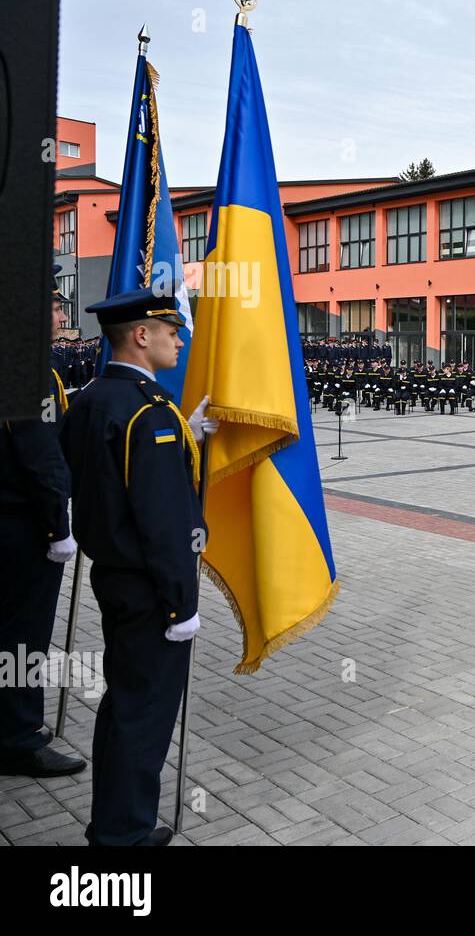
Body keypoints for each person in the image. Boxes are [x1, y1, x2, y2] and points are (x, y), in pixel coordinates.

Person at [60, 287, 217, 847]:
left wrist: (187, 438)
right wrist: (181, 604)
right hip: (151, 590)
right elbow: (163, 520)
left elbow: (107, 479)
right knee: (144, 713)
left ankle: (114, 823)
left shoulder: (92, 398)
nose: (180, 338)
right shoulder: (148, 415)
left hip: (115, 575)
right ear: (142, 336)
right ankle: (122, 839)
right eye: (171, 330)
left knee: (125, 702)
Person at [0, 268, 86, 779]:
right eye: (54, 306)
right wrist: (58, 528)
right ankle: (17, 735)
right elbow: (39, 457)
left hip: (14, 515)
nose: (60, 314)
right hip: (23, 523)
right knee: (24, 636)